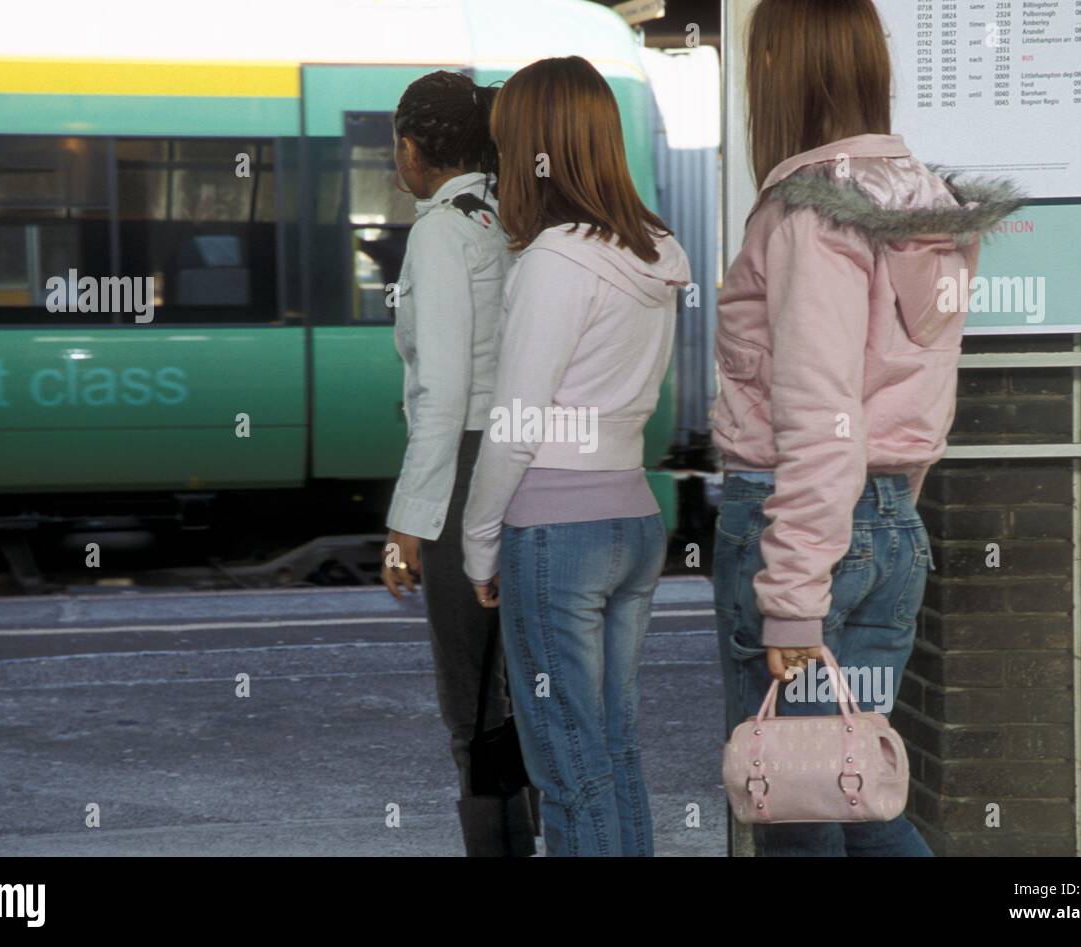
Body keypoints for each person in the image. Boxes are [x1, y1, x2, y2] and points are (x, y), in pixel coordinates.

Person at [712, 0, 1023, 856]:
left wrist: (793, 601)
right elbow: (916, 399)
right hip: (885, 525)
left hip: (806, 526)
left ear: (780, 71)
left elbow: (820, 413)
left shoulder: (813, 212)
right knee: (852, 783)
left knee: (799, 800)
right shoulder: (926, 209)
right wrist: (887, 512)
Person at [461, 56, 690, 857]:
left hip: (556, 531)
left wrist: (479, 540)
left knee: (566, 762)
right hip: (631, 516)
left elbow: (518, 421)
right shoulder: (653, 251)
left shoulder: (557, 260)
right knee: (614, 749)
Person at [381, 70, 535, 857]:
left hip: (466, 465)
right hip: (526, 459)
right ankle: (525, 835)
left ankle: (495, 848)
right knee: (512, 687)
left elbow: (439, 389)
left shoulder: (440, 231)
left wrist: (409, 524)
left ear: (412, 150)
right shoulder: (512, 215)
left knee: (468, 693)